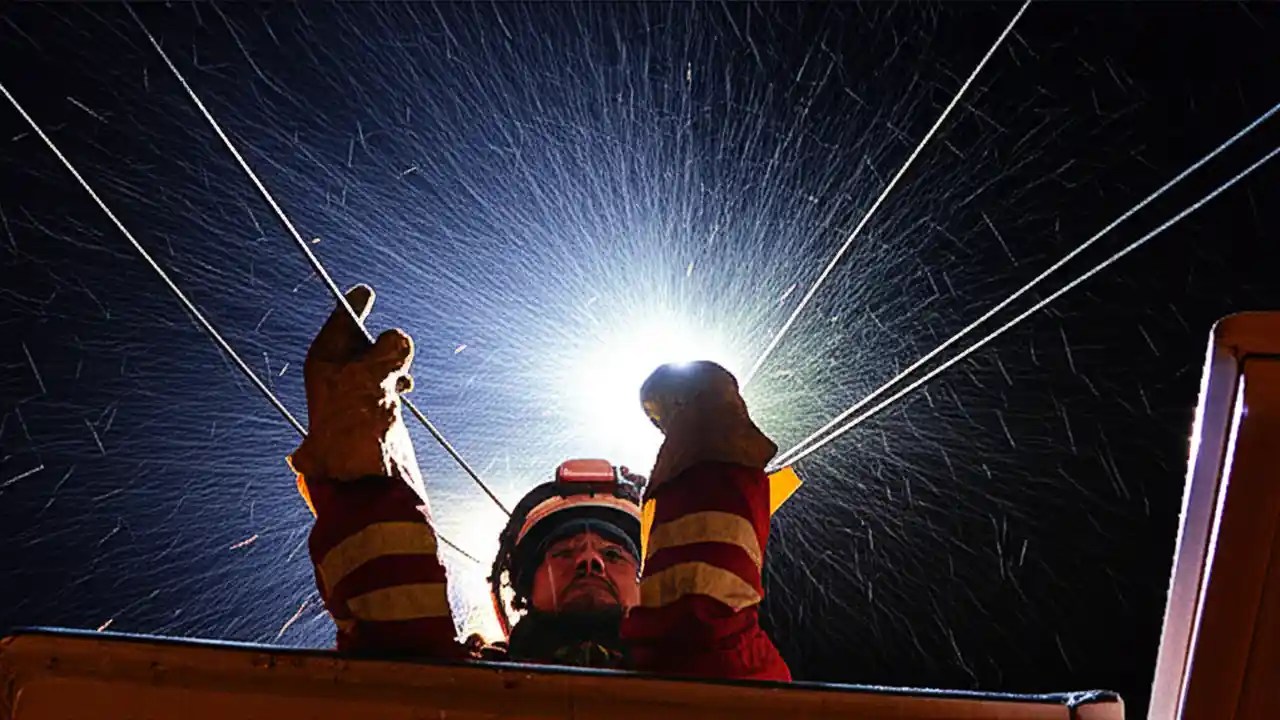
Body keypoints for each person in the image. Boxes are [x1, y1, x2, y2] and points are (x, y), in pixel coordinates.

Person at [288, 285, 789, 680]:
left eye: (614, 555)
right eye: (564, 551)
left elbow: (710, 628)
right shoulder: (463, 681)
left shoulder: (716, 666)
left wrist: (708, 456)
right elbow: (392, 649)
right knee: (403, 652)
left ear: (646, 583)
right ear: (525, 588)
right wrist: (362, 444)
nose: (590, 559)